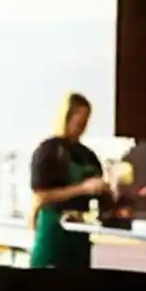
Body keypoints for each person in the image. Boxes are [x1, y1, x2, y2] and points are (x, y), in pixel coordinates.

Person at [28, 93, 110, 268]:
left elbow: (100, 201)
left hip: (80, 237)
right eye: (79, 121)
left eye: (85, 122)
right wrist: (83, 189)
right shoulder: (49, 151)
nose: (82, 127)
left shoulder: (88, 155)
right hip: (54, 233)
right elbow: (42, 195)